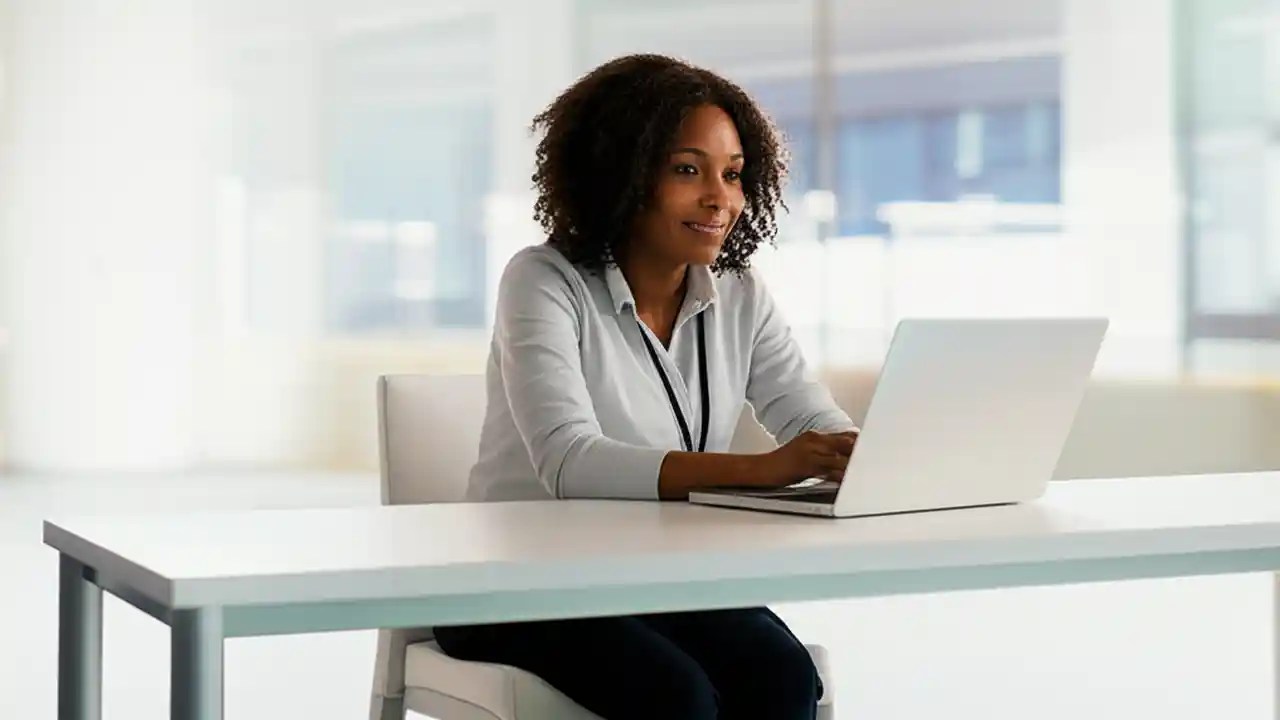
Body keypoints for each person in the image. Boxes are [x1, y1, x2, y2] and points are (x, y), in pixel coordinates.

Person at [434, 53, 858, 720]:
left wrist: (868, 454)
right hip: (513, 583)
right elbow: (569, 460)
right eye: (687, 170)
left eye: (733, 174)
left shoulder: (740, 295)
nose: (719, 198)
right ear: (622, 175)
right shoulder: (543, 280)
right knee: (675, 696)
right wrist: (764, 469)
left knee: (780, 675)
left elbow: (808, 415)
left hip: (656, 577)